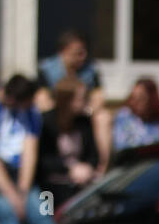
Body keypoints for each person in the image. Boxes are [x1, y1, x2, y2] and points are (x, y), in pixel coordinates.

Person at [0, 74, 57, 224]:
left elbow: (30, 150)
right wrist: (13, 196)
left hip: (19, 175)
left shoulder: (30, 112)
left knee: (40, 208)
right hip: (0, 179)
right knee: (6, 211)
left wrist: (22, 190)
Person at [35, 31, 111, 170]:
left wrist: (85, 110)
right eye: (78, 53)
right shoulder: (47, 69)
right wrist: (66, 109)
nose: (83, 56)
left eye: (84, 52)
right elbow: (42, 99)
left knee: (103, 117)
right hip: (58, 116)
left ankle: (101, 169)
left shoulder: (90, 69)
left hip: (82, 116)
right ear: (63, 52)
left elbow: (99, 97)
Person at [36, 77, 100, 211]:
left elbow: (93, 155)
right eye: (81, 98)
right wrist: (70, 169)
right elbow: (44, 160)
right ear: (67, 100)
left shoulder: (84, 122)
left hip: (81, 182)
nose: (86, 102)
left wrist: (87, 168)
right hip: (51, 185)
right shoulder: (46, 122)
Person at [110, 77, 159, 153]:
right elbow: (121, 148)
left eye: (141, 98)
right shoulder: (124, 116)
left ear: (152, 99)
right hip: (133, 161)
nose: (135, 102)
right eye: (133, 98)